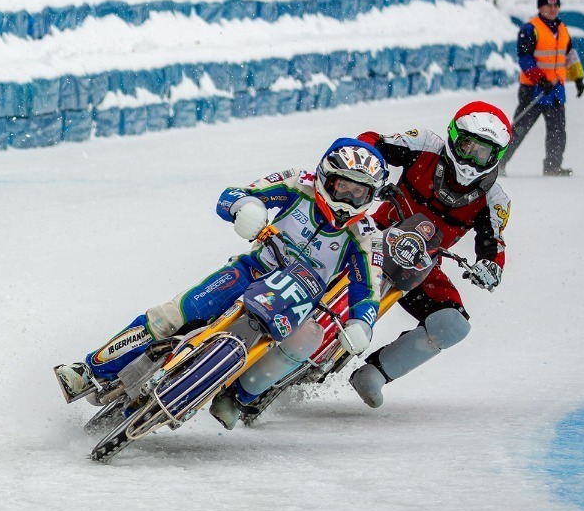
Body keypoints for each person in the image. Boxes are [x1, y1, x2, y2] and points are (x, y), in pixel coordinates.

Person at [54, 139, 388, 429]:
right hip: (252, 270)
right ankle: (92, 370)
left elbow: (368, 290)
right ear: (326, 177)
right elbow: (234, 195)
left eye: (359, 191)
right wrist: (247, 209)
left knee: (309, 339)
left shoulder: (365, 236)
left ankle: (238, 396)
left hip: (296, 301)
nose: (348, 196)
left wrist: (362, 321)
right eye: (343, 185)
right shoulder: (297, 183)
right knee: (175, 313)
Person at [349, 102, 513, 407]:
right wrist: (371, 172)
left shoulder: (494, 200)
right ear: (452, 137)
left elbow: (494, 245)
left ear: (497, 157)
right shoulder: (422, 144)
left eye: (483, 153)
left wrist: (490, 267)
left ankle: (374, 373)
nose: (471, 160)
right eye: (467, 147)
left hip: (418, 266)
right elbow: (371, 142)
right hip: (373, 234)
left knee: (452, 323)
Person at [502, 0, 584, 176]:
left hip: (555, 90)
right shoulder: (530, 28)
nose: (553, 9)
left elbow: (570, 54)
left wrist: (578, 78)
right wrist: (540, 78)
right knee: (518, 129)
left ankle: (553, 166)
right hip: (533, 90)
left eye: (556, 5)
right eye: (549, 5)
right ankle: (498, 164)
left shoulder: (562, 29)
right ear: (541, 7)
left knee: (557, 132)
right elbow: (525, 58)